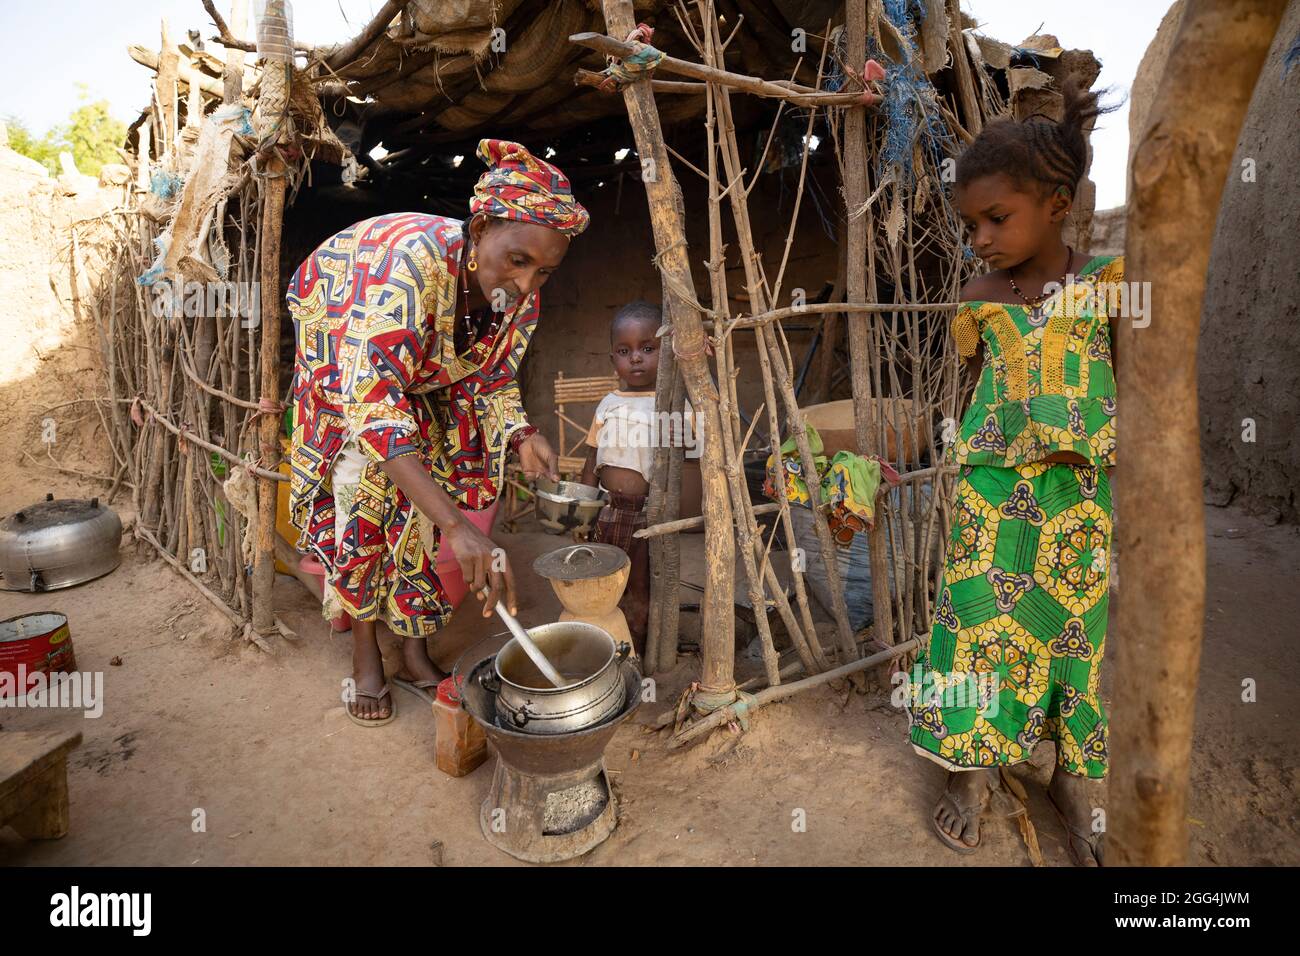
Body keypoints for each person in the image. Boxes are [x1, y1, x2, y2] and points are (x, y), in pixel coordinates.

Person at [286, 139, 589, 726]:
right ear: (478, 234)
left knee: (422, 509)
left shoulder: (519, 298)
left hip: (421, 374)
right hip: (345, 338)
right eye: (517, 260)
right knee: (366, 502)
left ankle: (413, 645)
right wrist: (458, 526)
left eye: (545, 270)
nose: (526, 284)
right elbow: (374, 406)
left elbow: (494, 376)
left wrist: (520, 433)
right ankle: (365, 652)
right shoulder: (408, 273)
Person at [906, 79, 1122, 865]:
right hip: (995, 495)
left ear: (1059, 205)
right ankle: (968, 769)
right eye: (971, 225)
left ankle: (1066, 772)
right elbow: (974, 394)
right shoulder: (979, 297)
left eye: (998, 219)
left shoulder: (1109, 286)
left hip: (1076, 497)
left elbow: (1129, 385)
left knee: (1074, 634)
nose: (982, 239)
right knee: (973, 632)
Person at [579, 301, 702, 656]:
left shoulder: (675, 405)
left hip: (651, 513)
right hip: (609, 511)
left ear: (668, 355)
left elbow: (694, 458)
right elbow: (593, 459)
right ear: (612, 359)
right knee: (606, 579)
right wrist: (583, 509)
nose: (635, 358)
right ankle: (613, 643)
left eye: (648, 349)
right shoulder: (607, 404)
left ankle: (641, 645)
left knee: (643, 585)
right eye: (624, 350)